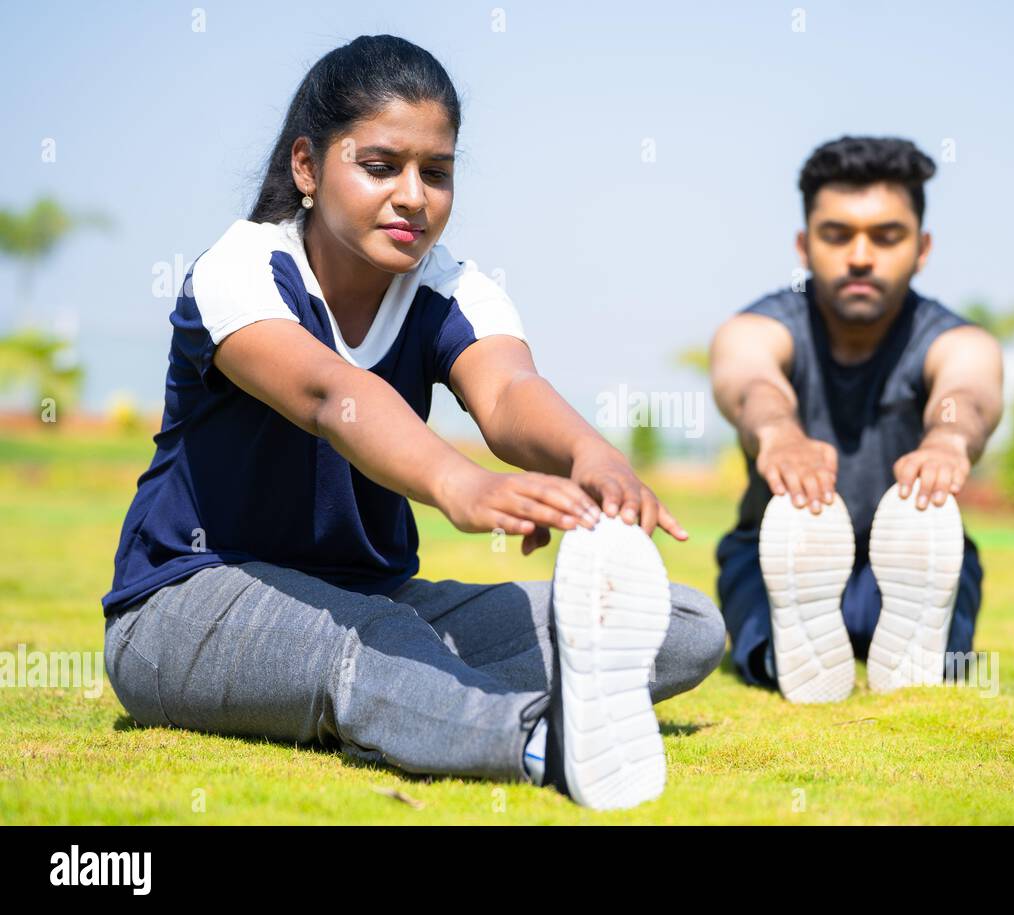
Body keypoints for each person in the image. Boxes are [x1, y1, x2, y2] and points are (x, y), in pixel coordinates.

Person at [100, 35, 725, 810]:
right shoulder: (239, 271)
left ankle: (410, 696)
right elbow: (332, 395)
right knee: (375, 641)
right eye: (380, 166)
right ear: (306, 166)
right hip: (186, 605)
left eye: (436, 172)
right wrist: (456, 484)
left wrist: (591, 458)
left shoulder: (451, 287)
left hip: (379, 597)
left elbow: (507, 392)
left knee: (683, 624)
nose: (413, 195)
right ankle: (536, 741)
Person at [709, 136, 1003, 703]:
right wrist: (779, 435)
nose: (861, 256)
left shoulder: (957, 340)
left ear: (922, 248)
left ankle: (923, 651)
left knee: (942, 597)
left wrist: (947, 442)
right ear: (804, 245)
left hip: (916, 559)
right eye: (837, 235)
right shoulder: (758, 328)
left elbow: (968, 393)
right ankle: (782, 652)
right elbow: (751, 384)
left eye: (887, 237)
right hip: (781, 556)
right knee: (770, 620)